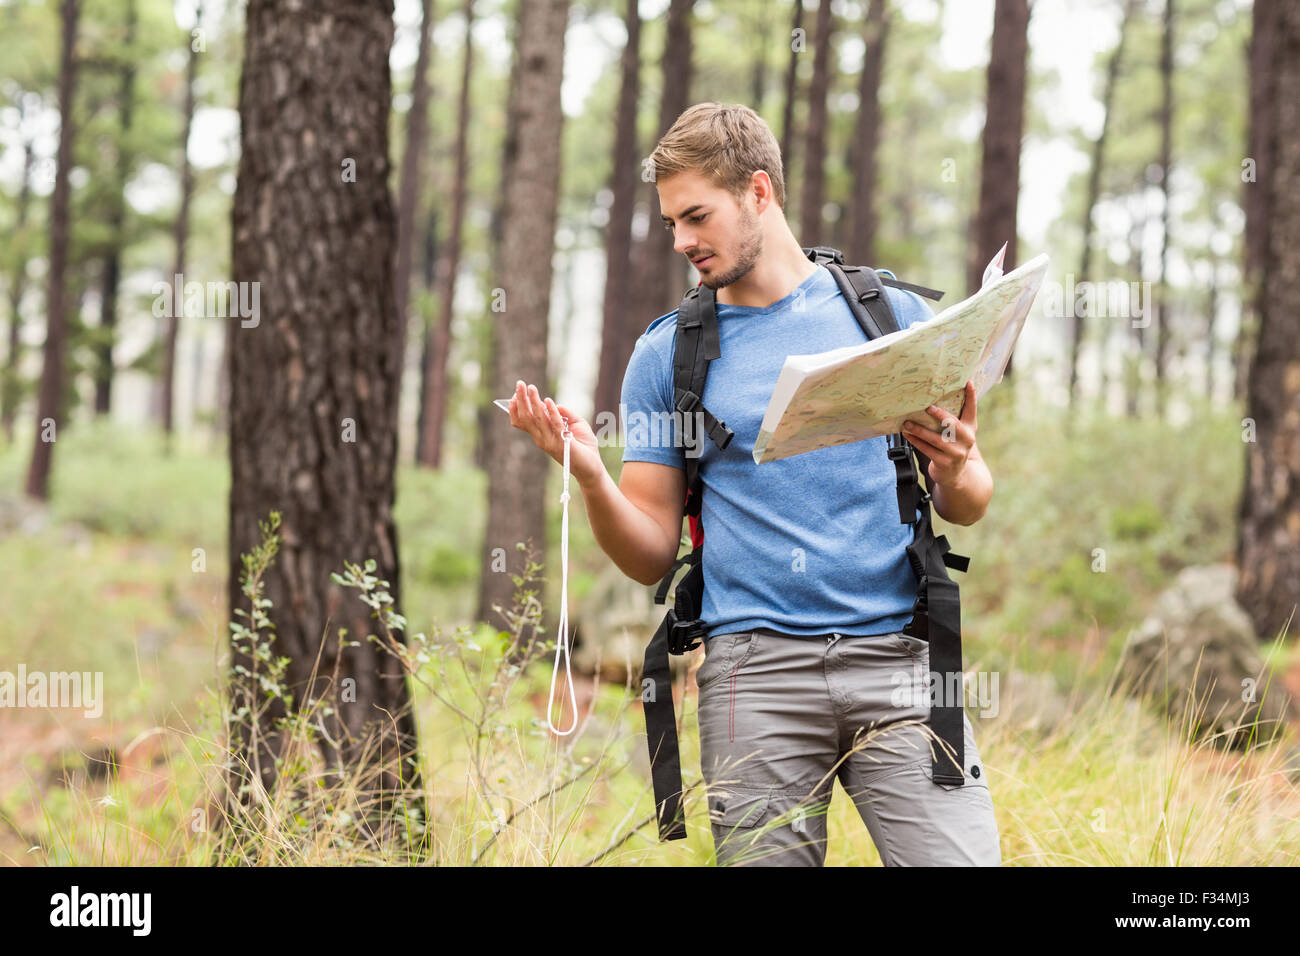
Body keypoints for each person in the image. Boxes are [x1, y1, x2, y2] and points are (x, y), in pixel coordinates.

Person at [508, 102, 1000, 866]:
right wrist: (592, 477)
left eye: (696, 216)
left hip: (902, 664)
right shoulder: (668, 357)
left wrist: (960, 462)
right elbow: (647, 556)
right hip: (754, 679)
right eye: (672, 222)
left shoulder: (891, 318)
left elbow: (966, 504)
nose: (682, 241)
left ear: (759, 193)